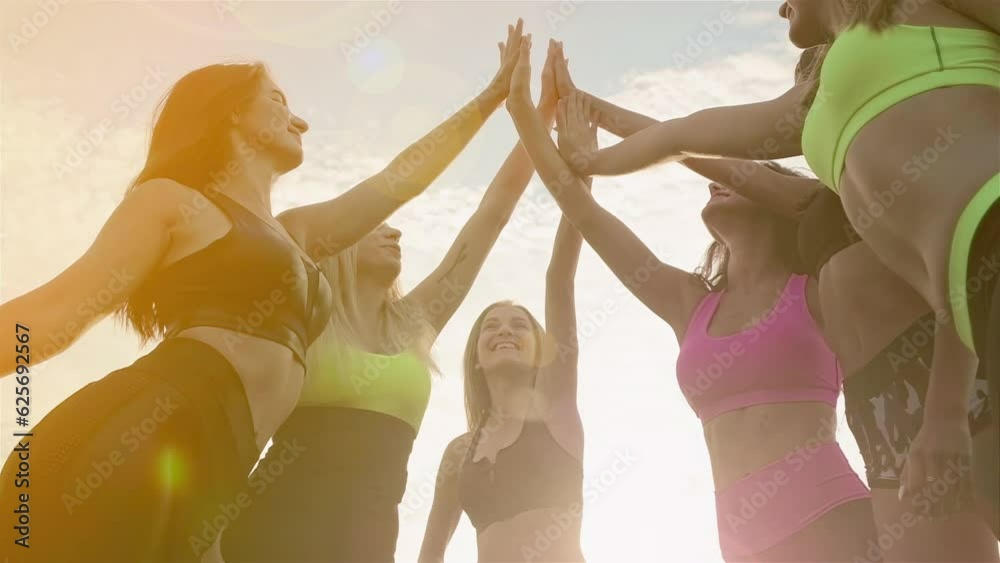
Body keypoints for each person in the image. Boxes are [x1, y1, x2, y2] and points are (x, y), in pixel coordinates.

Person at [0, 20, 521, 560]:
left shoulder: (297, 237)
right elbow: (56, 312)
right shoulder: (174, 202)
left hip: (218, 476)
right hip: (138, 438)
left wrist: (491, 97)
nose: (299, 119)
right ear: (231, 112)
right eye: (275, 100)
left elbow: (401, 179)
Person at [556, 0, 1000, 531]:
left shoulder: (917, 10)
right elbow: (681, 135)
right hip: (947, 323)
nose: (780, 5)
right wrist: (587, 151)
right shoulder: (811, 111)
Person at [506, 40, 876, 562]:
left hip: (833, 522)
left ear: (774, 198)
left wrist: (603, 116)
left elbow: (688, 150)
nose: (714, 184)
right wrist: (526, 115)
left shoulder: (818, 290)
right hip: (743, 546)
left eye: (740, 177)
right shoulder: (690, 305)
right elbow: (584, 212)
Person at [220, 25, 564, 563]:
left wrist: (536, 116)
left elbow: (490, 216)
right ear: (337, 242)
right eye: (378, 225)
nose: (394, 231)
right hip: (271, 528)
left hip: (369, 540)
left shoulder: (416, 321)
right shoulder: (302, 317)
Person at [418, 39, 587, 563]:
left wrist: (579, 170)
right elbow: (430, 554)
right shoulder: (456, 456)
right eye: (491, 326)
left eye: (519, 324)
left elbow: (559, 279)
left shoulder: (556, 407)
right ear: (474, 354)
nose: (506, 330)